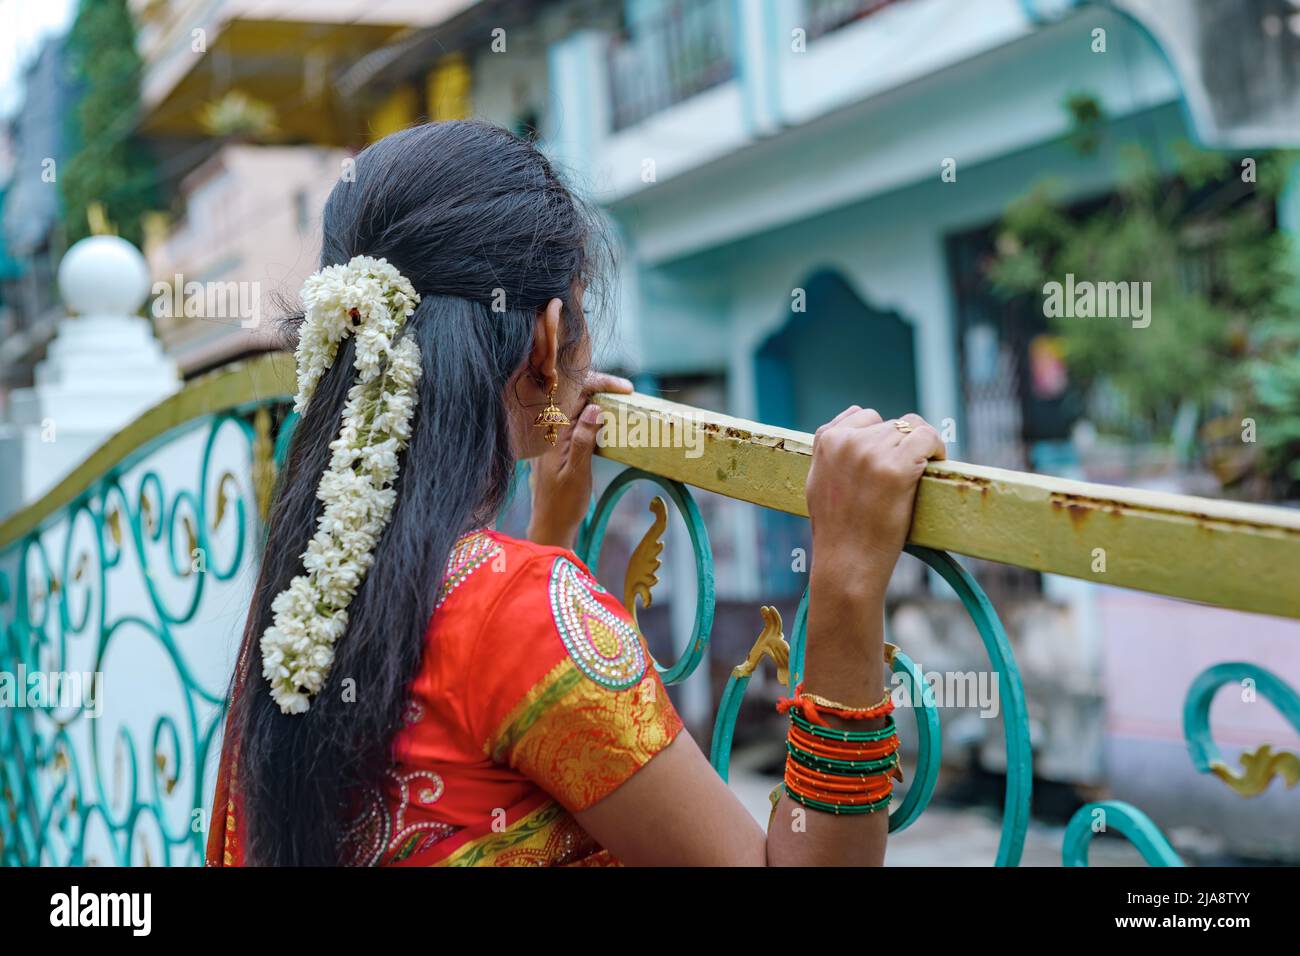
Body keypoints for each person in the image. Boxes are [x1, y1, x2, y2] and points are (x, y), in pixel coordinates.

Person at [206, 120, 945, 867]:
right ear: (548, 337)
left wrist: (549, 530)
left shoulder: (308, 600)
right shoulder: (522, 610)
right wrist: (847, 579)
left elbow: (491, 727)